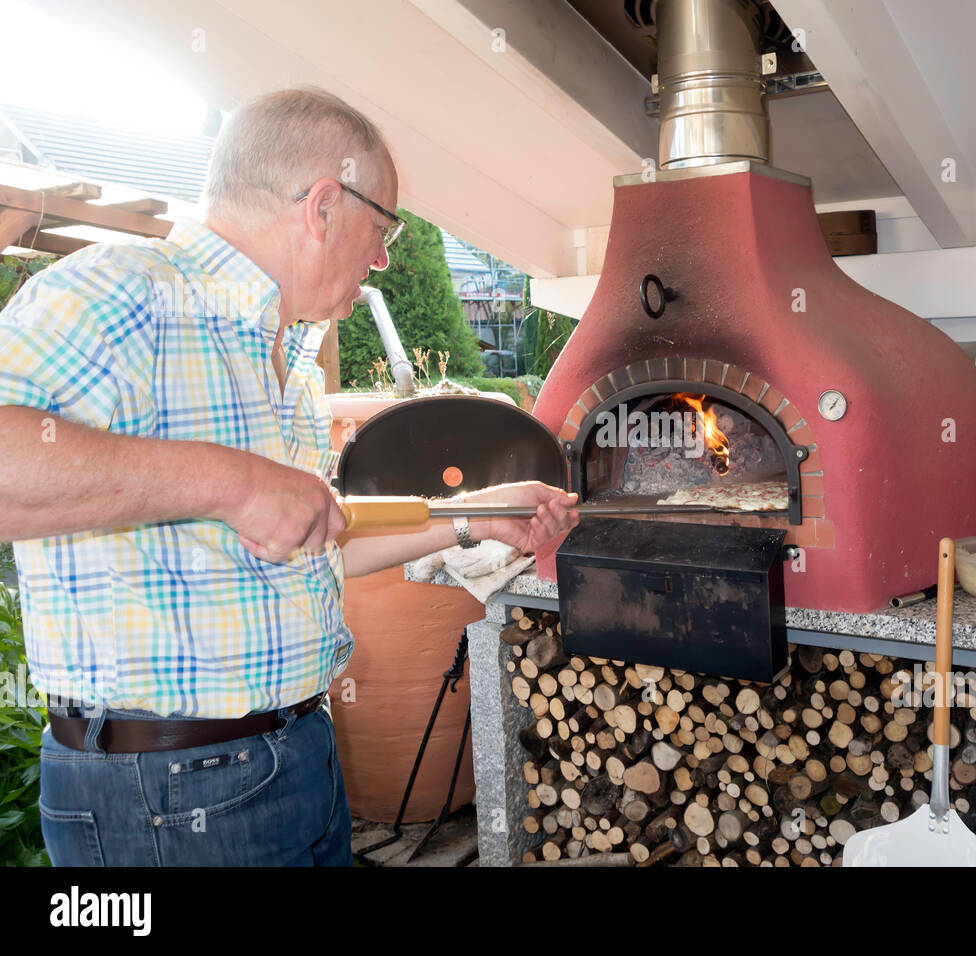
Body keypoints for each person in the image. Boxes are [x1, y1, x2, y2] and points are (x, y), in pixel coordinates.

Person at [0, 87, 578, 866]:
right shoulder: (119, 292)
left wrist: (475, 515)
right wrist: (230, 482)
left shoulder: (289, 365)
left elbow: (315, 543)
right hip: (162, 794)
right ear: (324, 206)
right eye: (384, 230)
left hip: (298, 757)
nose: (382, 258)